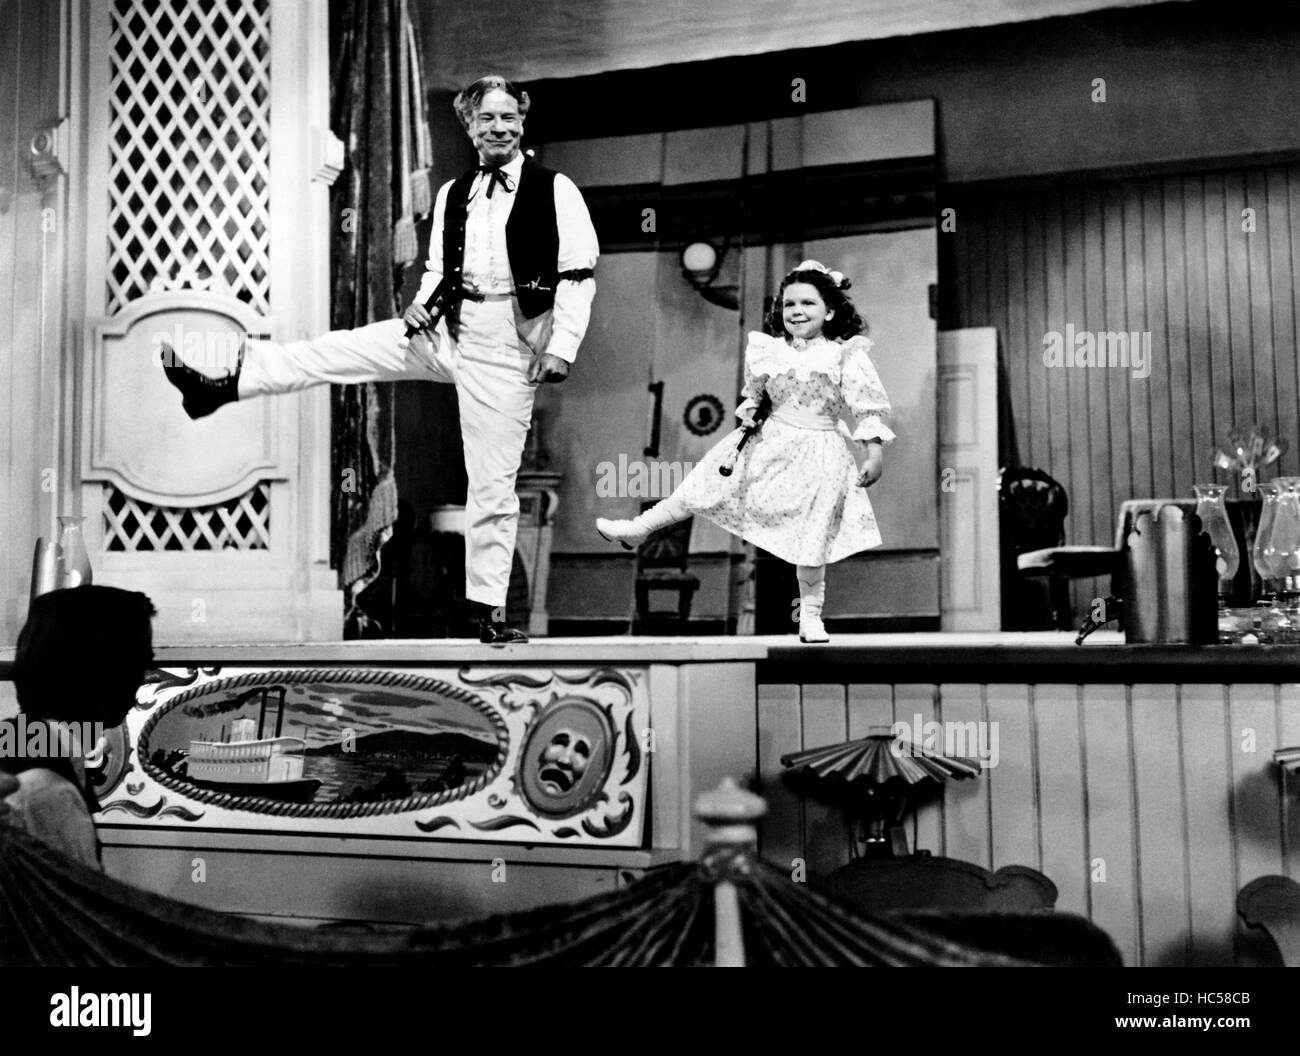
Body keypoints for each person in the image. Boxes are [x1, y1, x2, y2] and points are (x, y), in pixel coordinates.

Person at [159, 75, 599, 645]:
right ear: (469, 125)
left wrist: (561, 348)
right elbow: (443, 270)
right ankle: (220, 387)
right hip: (448, 329)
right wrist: (421, 308)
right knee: (341, 349)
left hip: (508, 347)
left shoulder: (554, 188)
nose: (499, 128)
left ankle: (487, 614)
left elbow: (578, 274)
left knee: (491, 487)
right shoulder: (454, 194)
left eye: (508, 118)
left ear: (522, 122)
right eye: (487, 119)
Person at [596, 261, 893, 643]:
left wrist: (873, 455)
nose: (797, 312)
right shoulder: (768, 350)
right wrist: (752, 411)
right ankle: (640, 529)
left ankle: (811, 616)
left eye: (808, 304)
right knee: (703, 484)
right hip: (769, 441)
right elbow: (754, 396)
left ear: (830, 311)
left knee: (813, 533)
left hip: (820, 449)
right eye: (789, 305)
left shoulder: (844, 355)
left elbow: (866, 409)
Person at [0, 586, 157, 869]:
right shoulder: (50, 797)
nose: (142, 678)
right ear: (103, 673)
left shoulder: (15, 741)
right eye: (137, 663)